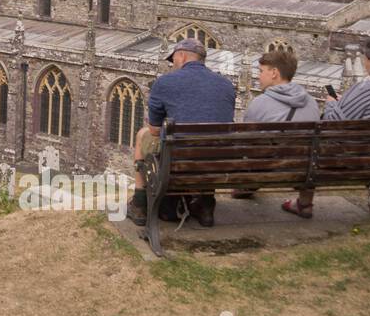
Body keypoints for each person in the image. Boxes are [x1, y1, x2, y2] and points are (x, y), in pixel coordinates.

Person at [284, 37, 370, 218]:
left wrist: (332, 104)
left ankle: (303, 204)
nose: (364, 61)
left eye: (366, 58)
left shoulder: (364, 90)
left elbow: (333, 123)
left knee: (316, 145)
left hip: (360, 160)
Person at [127, 37, 236, 228]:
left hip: (178, 162)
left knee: (143, 134)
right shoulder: (227, 85)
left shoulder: (165, 83)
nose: (173, 65)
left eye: (174, 60)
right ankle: (205, 203)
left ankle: (139, 203)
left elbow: (154, 129)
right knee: (209, 141)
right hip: (217, 162)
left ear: (183, 56)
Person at [230, 48, 321, 199]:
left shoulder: (260, 102)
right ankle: (305, 203)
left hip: (270, 168)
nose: (258, 76)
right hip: (306, 169)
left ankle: (247, 186)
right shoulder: (311, 102)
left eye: (261, 71)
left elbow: (245, 142)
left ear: (274, 73)